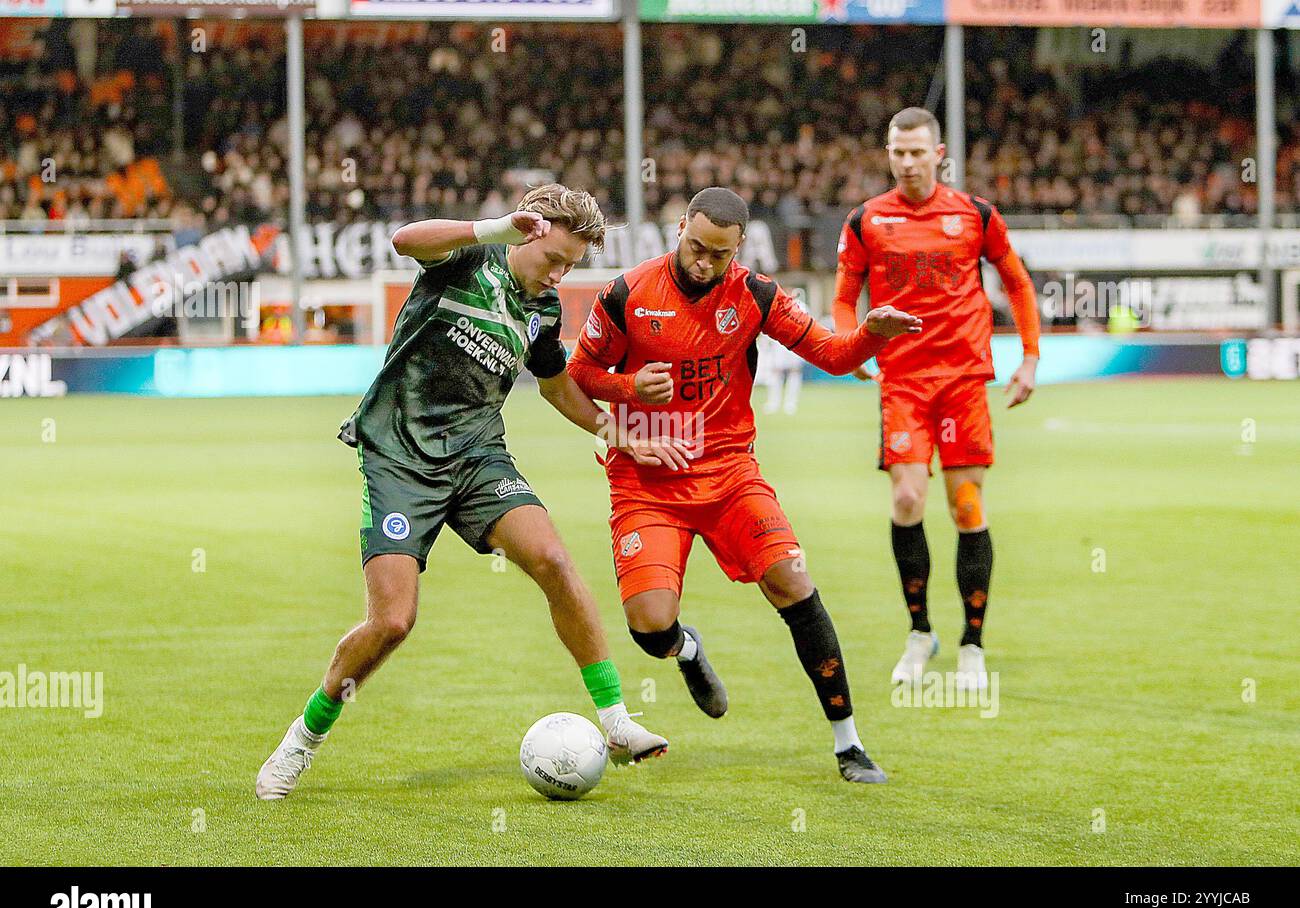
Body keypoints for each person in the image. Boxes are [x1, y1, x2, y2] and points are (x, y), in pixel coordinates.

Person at [256, 184, 682, 800]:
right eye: (554, 258)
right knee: (394, 620)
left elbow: (558, 385)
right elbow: (404, 239)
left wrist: (616, 431)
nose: (559, 273)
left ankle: (616, 724)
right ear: (528, 234)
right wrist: (490, 228)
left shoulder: (542, 310)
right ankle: (301, 741)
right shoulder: (466, 259)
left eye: (571, 265)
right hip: (399, 455)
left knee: (554, 561)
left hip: (478, 456)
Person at [567, 187, 920, 784]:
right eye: (696, 247)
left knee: (793, 581)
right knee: (651, 628)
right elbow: (577, 374)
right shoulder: (627, 294)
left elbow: (832, 356)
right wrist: (629, 392)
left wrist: (871, 334)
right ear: (679, 229)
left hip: (730, 473)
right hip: (646, 479)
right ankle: (687, 651)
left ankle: (849, 744)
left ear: (739, 249)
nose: (704, 263)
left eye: (719, 255)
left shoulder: (756, 296)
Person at [832, 107, 1041, 691]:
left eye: (918, 152)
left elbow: (1018, 284)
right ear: (889, 154)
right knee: (905, 499)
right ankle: (920, 631)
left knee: (967, 507)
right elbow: (845, 299)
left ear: (939, 153)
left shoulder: (974, 214)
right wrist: (852, 349)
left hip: (964, 379)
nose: (907, 162)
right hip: (903, 382)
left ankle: (973, 642)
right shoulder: (867, 220)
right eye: (898, 152)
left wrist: (1029, 357)